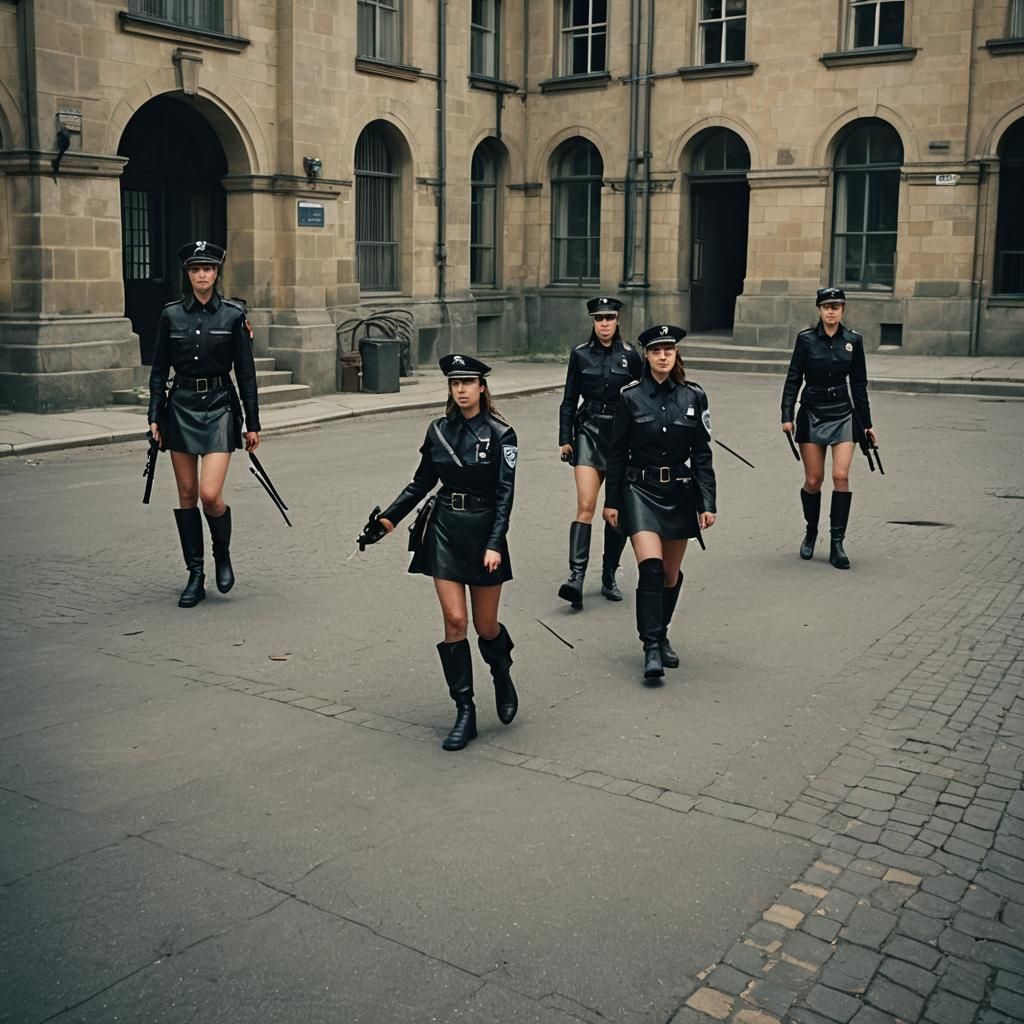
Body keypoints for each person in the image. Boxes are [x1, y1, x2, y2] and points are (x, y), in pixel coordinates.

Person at [358, 355, 519, 752]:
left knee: (486, 627)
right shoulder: (438, 431)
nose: (461, 389)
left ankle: (501, 670)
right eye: (454, 383)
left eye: (468, 382)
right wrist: (386, 523)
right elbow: (420, 484)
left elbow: (505, 495)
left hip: (484, 532)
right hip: (445, 528)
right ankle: (465, 711)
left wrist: (496, 542)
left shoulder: (502, 434)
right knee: (454, 620)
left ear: (482, 387)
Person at [148, 241, 261, 608]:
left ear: (216, 273)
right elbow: (159, 369)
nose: (202, 275)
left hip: (219, 407)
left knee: (210, 494)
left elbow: (246, 374)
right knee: (185, 494)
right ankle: (195, 574)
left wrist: (252, 423)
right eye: (196, 269)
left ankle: (221, 554)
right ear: (188, 274)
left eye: (208, 269)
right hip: (179, 406)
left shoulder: (232, 315)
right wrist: (154, 415)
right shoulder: (170, 315)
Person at [604, 325, 716, 680]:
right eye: (656, 351)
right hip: (639, 489)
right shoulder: (630, 397)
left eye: (669, 350)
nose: (663, 356)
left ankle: (662, 632)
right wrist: (612, 501)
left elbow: (701, 454)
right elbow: (617, 453)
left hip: (679, 493)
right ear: (647, 356)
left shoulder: (694, 397)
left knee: (669, 575)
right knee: (651, 568)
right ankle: (651, 646)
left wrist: (707, 502)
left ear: (676, 354)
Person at [781, 287, 877, 570]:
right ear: (819, 310)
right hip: (812, 412)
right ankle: (811, 530)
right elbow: (793, 378)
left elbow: (859, 385)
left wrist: (867, 424)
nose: (831, 311)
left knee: (841, 475)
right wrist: (787, 414)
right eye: (826, 307)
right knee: (813, 480)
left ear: (843, 309)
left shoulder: (853, 341)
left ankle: (837, 543)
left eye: (836, 306)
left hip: (843, 414)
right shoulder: (806, 340)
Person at [557, 296, 644, 609]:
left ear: (617, 320)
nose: (604, 324)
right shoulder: (580, 355)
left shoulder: (632, 356)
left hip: (621, 437)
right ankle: (576, 576)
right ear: (593, 322)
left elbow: (643, 397)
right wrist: (565, 437)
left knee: (615, 508)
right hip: (589, 433)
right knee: (585, 504)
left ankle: (609, 573)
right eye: (599, 319)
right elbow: (569, 399)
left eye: (609, 318)